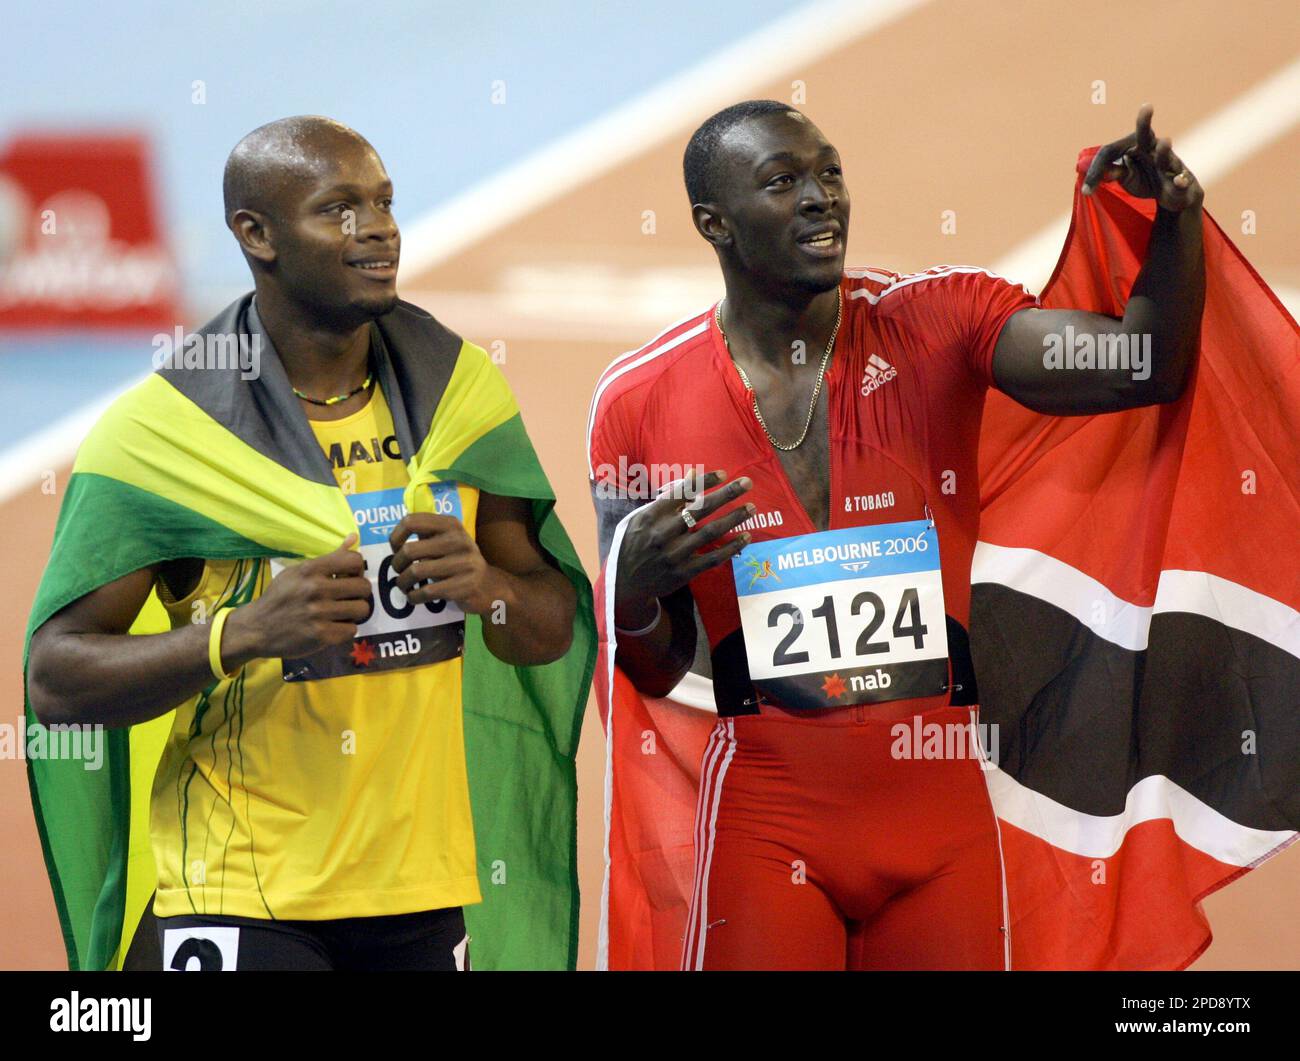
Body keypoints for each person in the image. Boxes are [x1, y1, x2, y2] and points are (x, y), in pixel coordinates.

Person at [587, 99, 1203, 970]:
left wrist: (1171, 225)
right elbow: (652, 665)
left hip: (939, 818)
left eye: (830, 173)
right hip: (768, 824)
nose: (820, 199)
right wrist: (639, 592)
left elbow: (1140, 363)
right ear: (712, 223)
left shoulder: (938, 323)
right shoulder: (637, 404)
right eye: (783, 181)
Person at [26, 117, 588, 972]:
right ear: (257, 235)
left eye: (385, 202)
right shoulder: (165, 435)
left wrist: (486, 586)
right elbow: (55, 678)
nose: (379, 229)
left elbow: (546, 628)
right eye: (339, 209)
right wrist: (240, 634)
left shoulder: (458, 396)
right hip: (241, 895)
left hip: (423, 895)